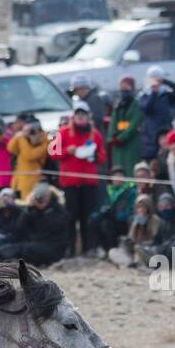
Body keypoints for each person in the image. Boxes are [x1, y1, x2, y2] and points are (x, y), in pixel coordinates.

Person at [51, 99, 106, 255]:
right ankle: (71, 249)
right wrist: (67, 151)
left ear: (88, 117)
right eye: (78, 115)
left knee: (87, 217)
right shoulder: (63, 133)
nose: (80, 117)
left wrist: (94, 154)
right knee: (71, 216)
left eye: (83, 115)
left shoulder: (95, 134)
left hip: (89, 182)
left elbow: (102, 157)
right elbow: (53, 153)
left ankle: (89, 247)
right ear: (73, 117)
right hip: (70, 182)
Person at [0, 182, 70, 266]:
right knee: (1, 249)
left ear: (48, 197)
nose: (39, 201)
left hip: (53, 248)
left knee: (10, 249)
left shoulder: (58, 210)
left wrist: (38, 210)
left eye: (41, 198)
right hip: (36, 244)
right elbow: (20, 226)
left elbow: (50, 227)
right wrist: (29, 209)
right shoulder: (33, 210)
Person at [138, 67, 175, 163]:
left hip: (165, 133)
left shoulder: (165, 95)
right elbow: (147, 109)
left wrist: (164, 81)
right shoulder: (143, 96)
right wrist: (154, 94)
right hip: (150, 137)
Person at [91, 168, 136, 251]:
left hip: (124, 222)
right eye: (115, 176)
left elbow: (131, 210)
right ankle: (102, 248)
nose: (118, 179)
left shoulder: (130, 191)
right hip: (110, 219)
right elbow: (101, 207)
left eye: (120, 176)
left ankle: (113, 249)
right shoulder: (107, 190)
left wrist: (117, 215)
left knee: (106, 224)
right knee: (93, 221)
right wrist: (100, 214)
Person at [108, 75, 143, 175]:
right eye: (121, 88)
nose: (123, 91)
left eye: (126, 88)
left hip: (131, 142)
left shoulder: (136, 104)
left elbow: (133, 123)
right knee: (118, 169)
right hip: (118, 144)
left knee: (130, 168)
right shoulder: (118, 105)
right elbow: (113, 122)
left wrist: (122, 137)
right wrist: (113, 136)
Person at [7, 118, 49, 197]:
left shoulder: (44, 143)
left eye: (34, 131)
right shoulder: (22, 139)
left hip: (33, 183)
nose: (32, 133)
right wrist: (18, 135)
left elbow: (29, 155)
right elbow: (10, 148)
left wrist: (22, 139)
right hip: (18, 182)